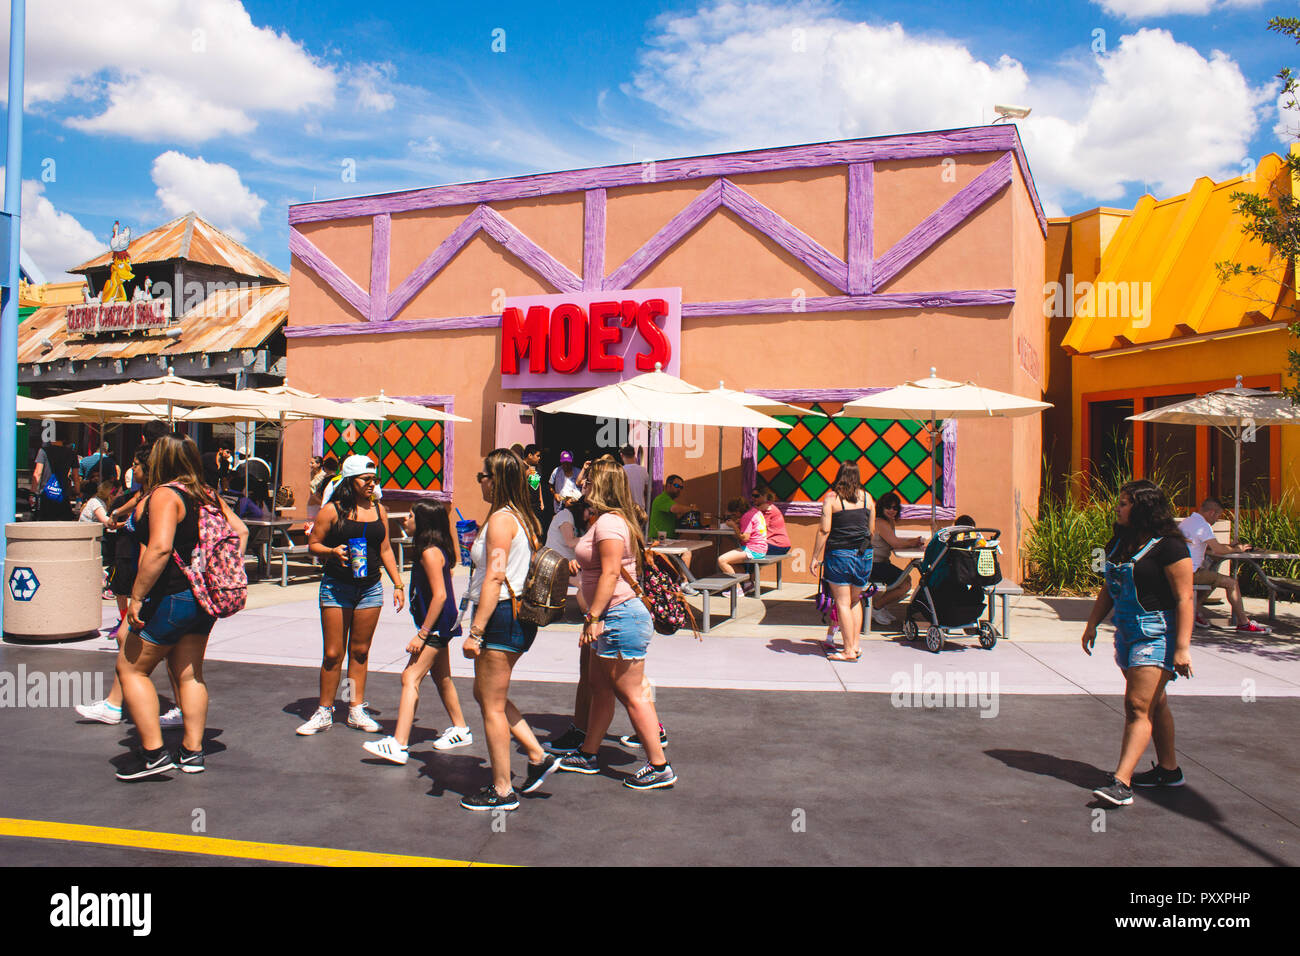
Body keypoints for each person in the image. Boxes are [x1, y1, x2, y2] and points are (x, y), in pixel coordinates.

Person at [113, 435, 249, 779]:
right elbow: (241, 531)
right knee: (189, 674)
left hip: (172, 595)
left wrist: (138, 597)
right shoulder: (206, 493)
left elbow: (159, 549)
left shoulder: (165, 495)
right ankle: (192, 751)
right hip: (203, 597)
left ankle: (155, 754)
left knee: (131, 669)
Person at [555, 460, 675, 788]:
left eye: (590, 482)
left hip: (619, 615)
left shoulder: (609, 523)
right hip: (611, 615)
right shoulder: (608, 521)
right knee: (600, 686)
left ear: (603, 487)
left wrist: (593, 617)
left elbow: (610, 572)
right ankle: (588, 753)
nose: (583, 486)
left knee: (631, 693)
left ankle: (659, 765)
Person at [459, 449, 562, 810]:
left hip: (501, 615)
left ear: (496, 479)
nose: (480, 481)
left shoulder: (503, 521)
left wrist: (475, 631)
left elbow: (496, 575)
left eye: (482, 476)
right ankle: (537, 755)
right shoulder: (520, 516)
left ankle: (502, 790)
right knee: (488, 697)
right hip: (512, 616)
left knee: (490, 705)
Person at [1082, 479, 1194, 807]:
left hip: (1157, 632)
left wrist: (1182, 648)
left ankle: (1122, 783)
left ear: (1143, 507)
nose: (1117, 507)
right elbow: (1109, 587)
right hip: (1126, 631)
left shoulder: (1170, 547)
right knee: (1155, 703)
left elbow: (1185, 597)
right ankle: (1169, 771)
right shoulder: (1120, 541)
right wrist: (1092, 623)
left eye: (1124, 503)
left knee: (1137, 706)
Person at [76, 449, 189, 729]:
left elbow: (154, 547)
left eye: (135, 464)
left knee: (134, 661)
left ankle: (152, 745)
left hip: (158, 588)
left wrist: (140, 592)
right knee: (177, 663)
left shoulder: (157, 499)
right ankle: (185, 734)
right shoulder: (167, 495)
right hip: (170, 590)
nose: (131, 469)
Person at [298, 455, 405, 736]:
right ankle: (324, 710)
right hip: (336, 586)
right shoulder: (332, 511)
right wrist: (332, 552)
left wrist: (398, 584)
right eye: (366, 479)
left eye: (374, 479)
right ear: (350, 481)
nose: (372, 484)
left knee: (360, 651)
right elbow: (313, 544)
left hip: (370, 588)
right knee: (333, 654)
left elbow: (385, 550)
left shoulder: (378, 509)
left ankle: (354, 707)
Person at [363, 502, 472, 764]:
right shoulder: (431, 551)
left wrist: (422, 634)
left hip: (435, 627)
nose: (405, 520)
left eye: (410, 516)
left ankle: (399, 744)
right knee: (442, 676)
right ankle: (460, 728)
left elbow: (441, 595)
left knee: (410, 676)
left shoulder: (430, 553)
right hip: (439, 625)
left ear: (423, 522)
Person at [810, 463, 873, 662]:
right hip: (865, 555)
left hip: (840, 555)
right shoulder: (868, 498)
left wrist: (814, 557)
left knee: (843, 603)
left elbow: (824, 530)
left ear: (839, 476)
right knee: (856, 601)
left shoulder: (831, 499)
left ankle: (847, 651)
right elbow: (871, 530)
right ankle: (855, 646)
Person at [1178, 497, 1270, 634]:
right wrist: (1237, 549)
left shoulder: (1187, 521)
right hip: (1190, 572)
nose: (1217, 519)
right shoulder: (1203, 526)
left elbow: (1206, 548)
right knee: (1231, 582)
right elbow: (1218, 550)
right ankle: (1244, 623)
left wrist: (1228, 547)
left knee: (1213, 577)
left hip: (1180, 570)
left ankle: (1195, 610)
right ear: (1211, 513)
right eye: (1218, 516)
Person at [869, 491, 926, 625]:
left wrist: (911, 542)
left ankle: (880, 606)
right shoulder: (880, 522)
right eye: (888, 507)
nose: (892, 510)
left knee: (905, 579)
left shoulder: (888, 522)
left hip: (881, 563)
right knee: (904, 584)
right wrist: (913, 542)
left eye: (895, 508)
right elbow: (895, 543)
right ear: (881, 507)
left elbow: (893, 541)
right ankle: (876, 607)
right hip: (873, 565)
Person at [31, 435, 79, 521]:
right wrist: (77, 492)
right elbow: (76, 476)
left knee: (46, 523)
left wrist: (32, 493)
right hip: (63, 493)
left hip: (46, 494)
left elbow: (37, 473)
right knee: (64, 524)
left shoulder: (43, 451)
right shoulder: (71, 453)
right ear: (64, 440)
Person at [718, 495, 767, 578]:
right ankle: (747, 584)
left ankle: (737, 588)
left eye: (734, 513)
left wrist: (734, 526)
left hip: (753, 550)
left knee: (722, 560)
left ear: (738, 510)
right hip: (761, 548)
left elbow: (745, 537)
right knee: (731, 561)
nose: (734, 516)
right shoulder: (755, 512)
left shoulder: (746, 517)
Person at [647, 474, 696, 541]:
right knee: (687, 550)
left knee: (687, 550)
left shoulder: (669, 501)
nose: (679, 489)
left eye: (681, 487)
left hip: (668, 541)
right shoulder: (662, 498)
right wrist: (692, 509)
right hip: (658, 541)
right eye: (676, 486)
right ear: (668, 485)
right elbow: (675, 509)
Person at [752, 486, 790, 557]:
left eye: (756, 496)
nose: (753, 498)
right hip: (773, 543)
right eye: (752, 496)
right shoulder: (761, 508)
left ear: (764, 496)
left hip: (778, 544)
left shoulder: (768, 509)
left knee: (749, 551)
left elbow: (759, 527)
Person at [621, 445, 649, 514]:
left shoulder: (620, 471)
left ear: (621, 455)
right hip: (641, 511)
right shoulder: (643, 470)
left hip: (626, 511)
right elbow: (648, 490)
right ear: (634, 454)